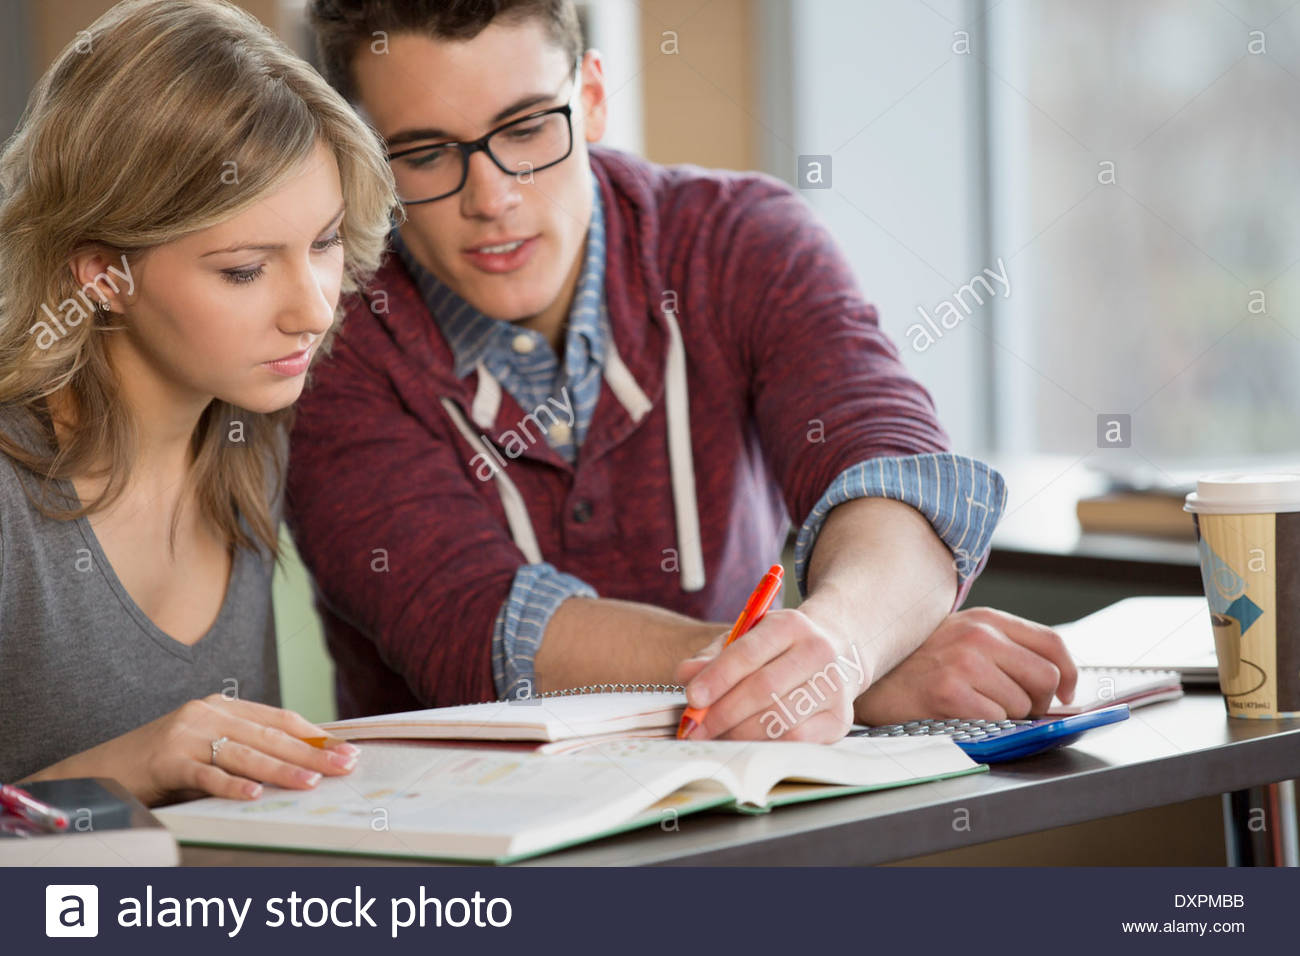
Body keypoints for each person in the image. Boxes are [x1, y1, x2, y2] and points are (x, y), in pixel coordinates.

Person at [289, 0, 1076, 741]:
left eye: (527, 129)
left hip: (749, 819)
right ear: (369, 162)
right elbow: (469, 625)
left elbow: (892, 469)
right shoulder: (328, 342)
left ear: (592, 97)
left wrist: (842, 647)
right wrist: (827, 677)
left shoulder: (741, 244)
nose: (493, 199)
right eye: (426, 154)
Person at [0, 0, 396, 803]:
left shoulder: (256, 434)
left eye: (322, 244)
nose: (314, 310)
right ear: (101, 276)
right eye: (245, 269)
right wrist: (124, 770)